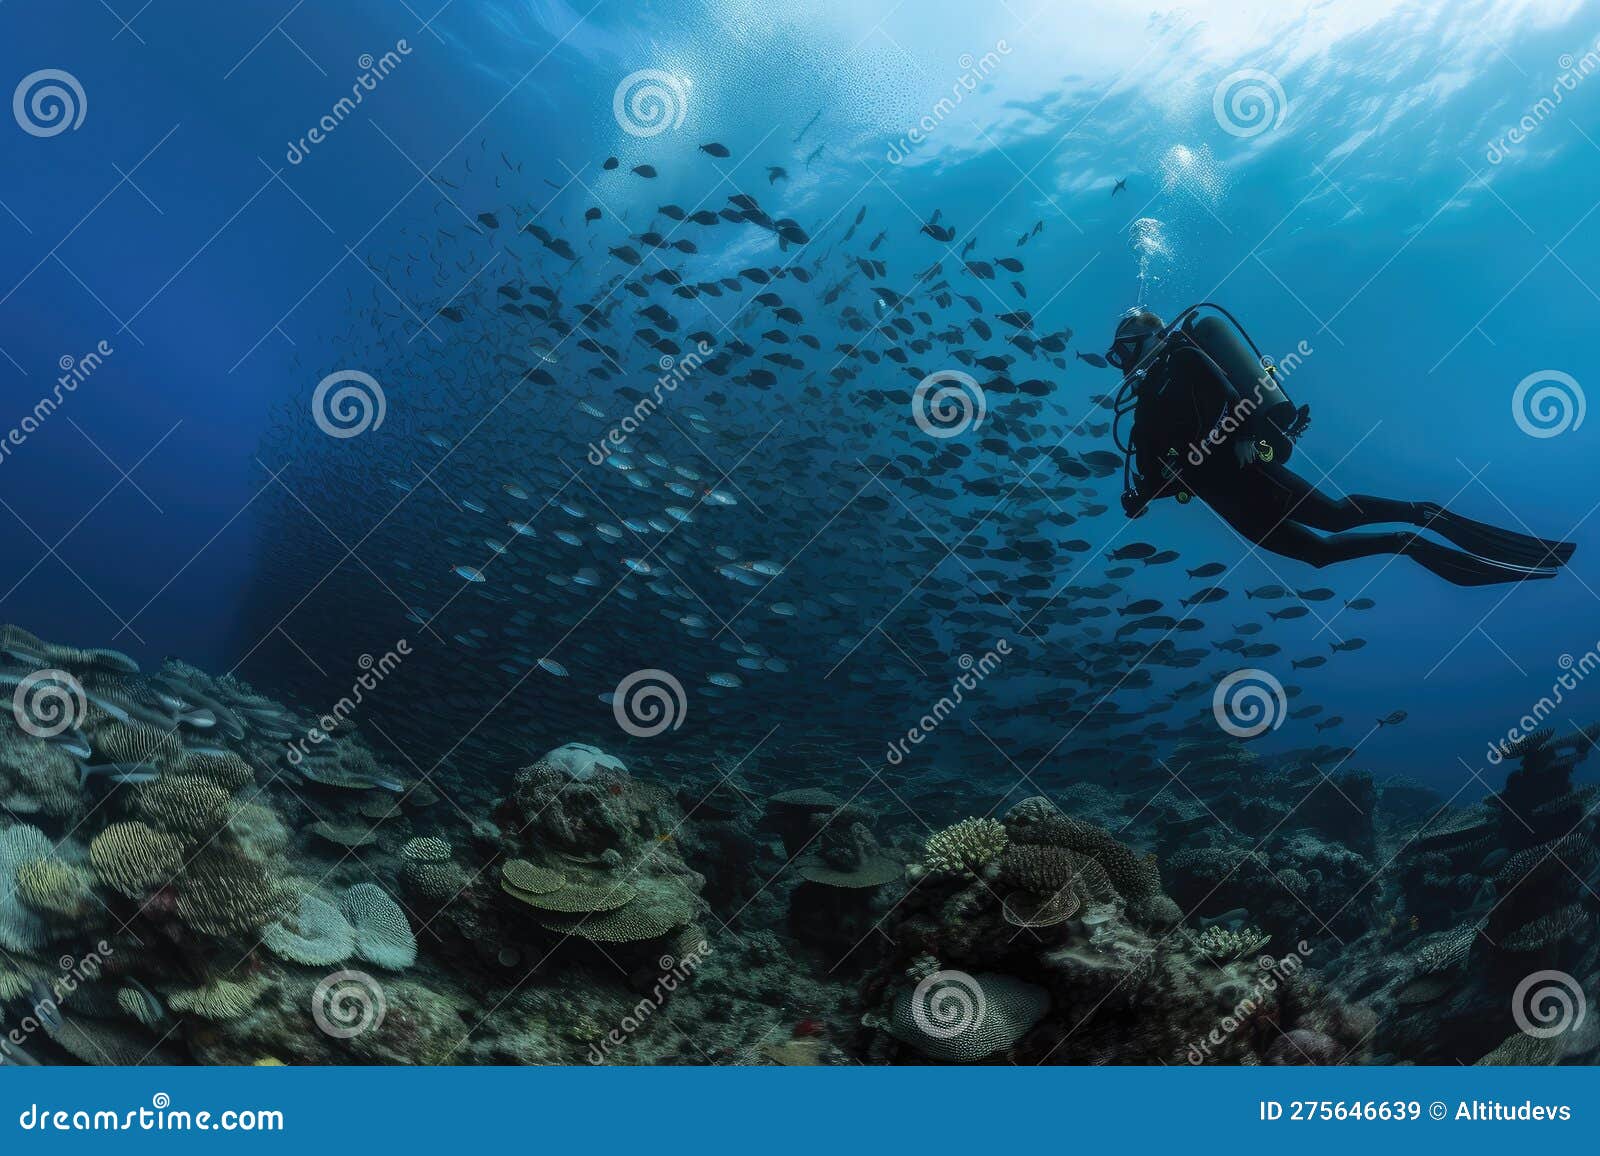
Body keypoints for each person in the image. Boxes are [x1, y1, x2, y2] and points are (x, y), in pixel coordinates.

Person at [1109, 306, 1575, 586]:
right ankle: (1404, 542)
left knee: (1336, 516)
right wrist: (1140, 498)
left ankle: (1424, 513)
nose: (1122, 363)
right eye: (1117, 357)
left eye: (1125, 351)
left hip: (1252, 473)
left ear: (1150, 338)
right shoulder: (1142, 414)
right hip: (1229, 504)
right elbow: (1157, 479)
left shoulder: (1187, 357)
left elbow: (1237, 397)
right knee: (1318, 555)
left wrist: (1250, 434)